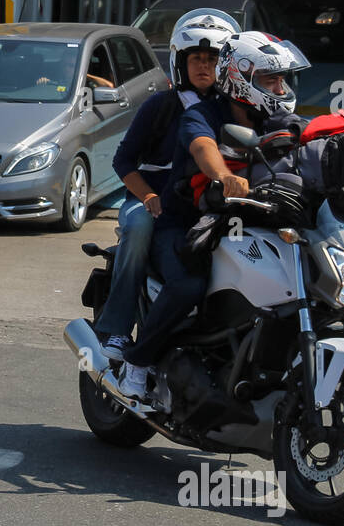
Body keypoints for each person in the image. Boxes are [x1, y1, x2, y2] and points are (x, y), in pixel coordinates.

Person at [116, 30, 311, 404]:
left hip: (248, 224)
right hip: (183, 224)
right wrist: (223, 176)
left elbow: (310, 145)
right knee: (190, 285)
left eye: (282, 78)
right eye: (271, 78)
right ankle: (137, 364)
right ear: (243, 78)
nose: (280, 86)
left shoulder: (277, 118)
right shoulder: (201, 114)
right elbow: (203, 146)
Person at [95, 9, 240, 360]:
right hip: (154, 202)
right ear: (180, 62)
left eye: (212, 59)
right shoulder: (160, 105)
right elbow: (123, 161)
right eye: (196, 59)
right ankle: (116, 331)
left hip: (208, 204)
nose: (204, 66)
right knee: (141, 226)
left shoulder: (233, 108)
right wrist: (148, 196)